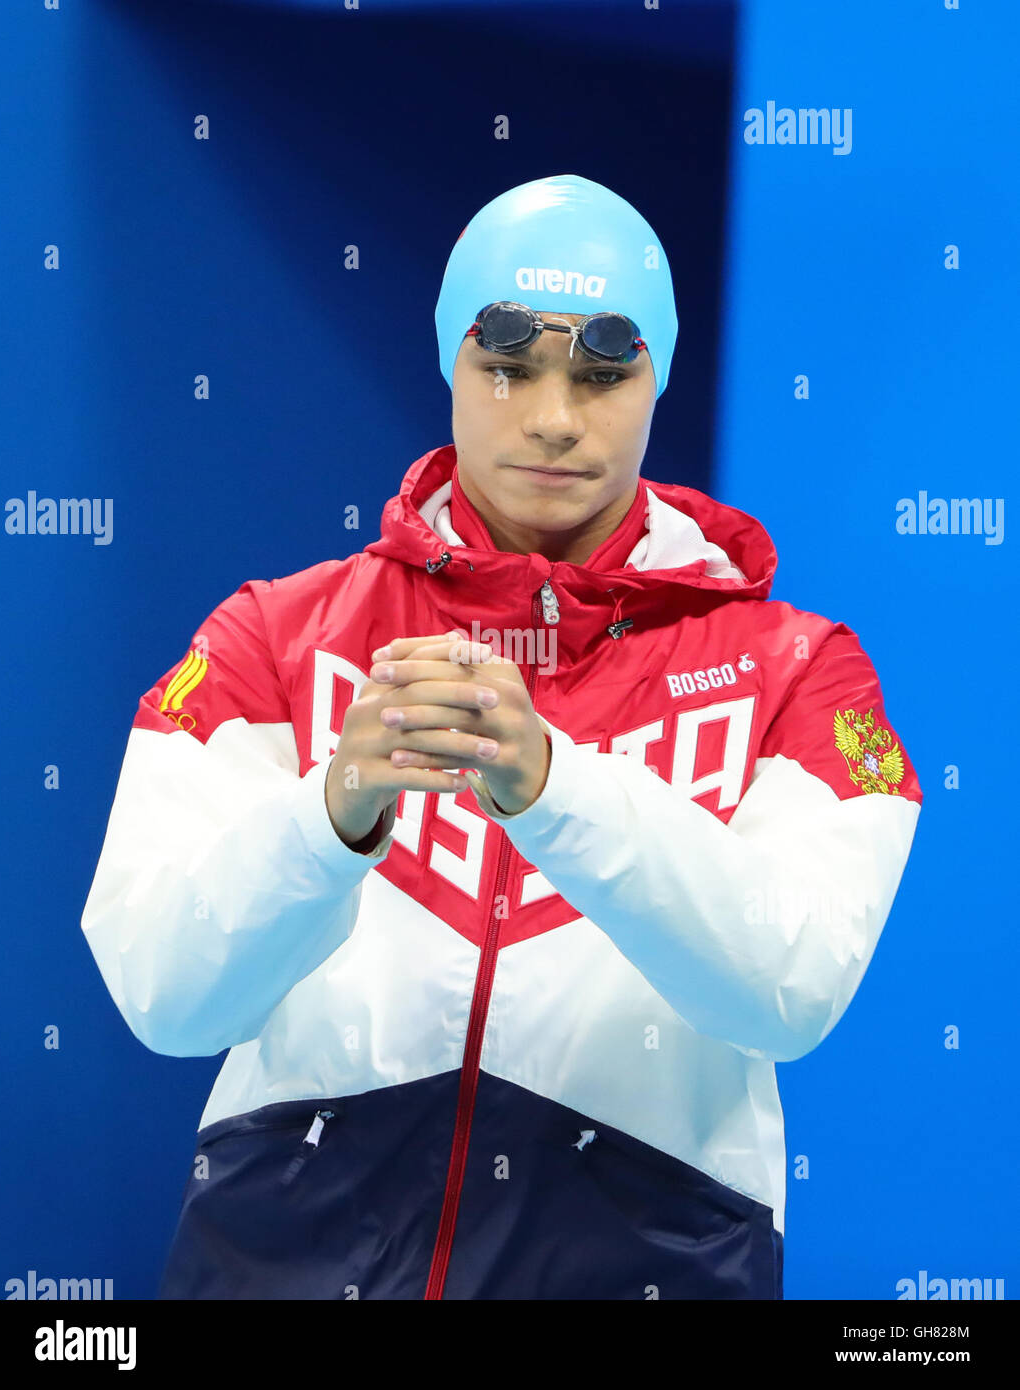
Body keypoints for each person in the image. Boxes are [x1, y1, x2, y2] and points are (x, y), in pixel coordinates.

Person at [80, 173, 923, 1300]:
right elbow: (167, 998)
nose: (554, 417)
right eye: (508, 365)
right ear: (450, 363)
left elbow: (787, 991)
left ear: (657, 374)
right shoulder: (271, 638)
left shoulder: (800, 669)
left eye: (603, 373)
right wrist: (330, 817)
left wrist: (557, 788)